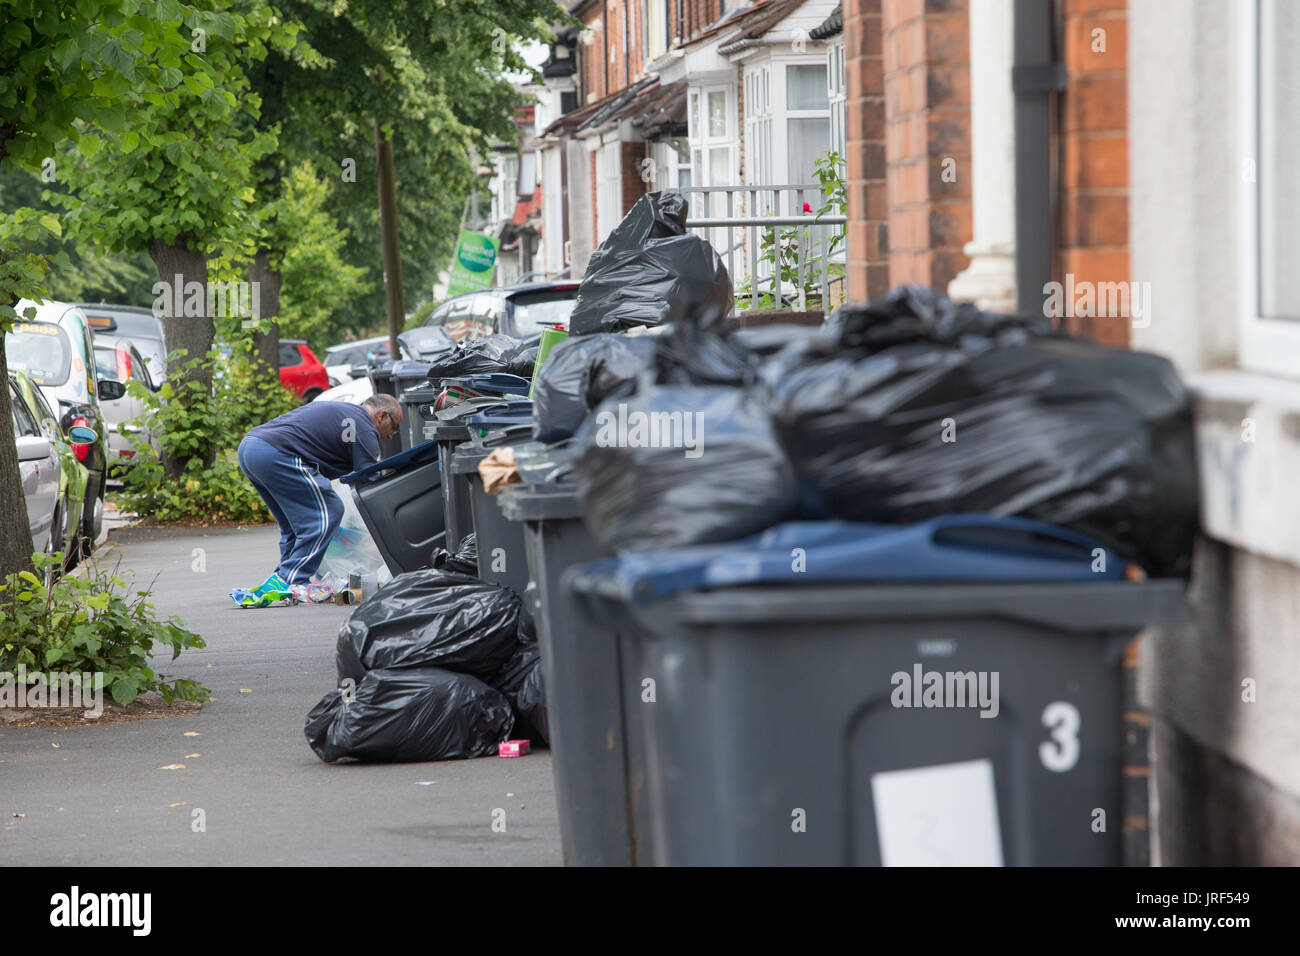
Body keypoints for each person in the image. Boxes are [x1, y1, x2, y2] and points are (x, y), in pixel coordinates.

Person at [231, 395, 402, 607]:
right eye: (394, 427)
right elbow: (369, 481)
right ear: (382, 416)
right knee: (329, 512)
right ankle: (292, 579)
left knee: (296, 525)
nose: (391, 435)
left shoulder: (347, 413)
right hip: (277, 452)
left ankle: (282, 578)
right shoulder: (365, 426)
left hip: (251, 448)